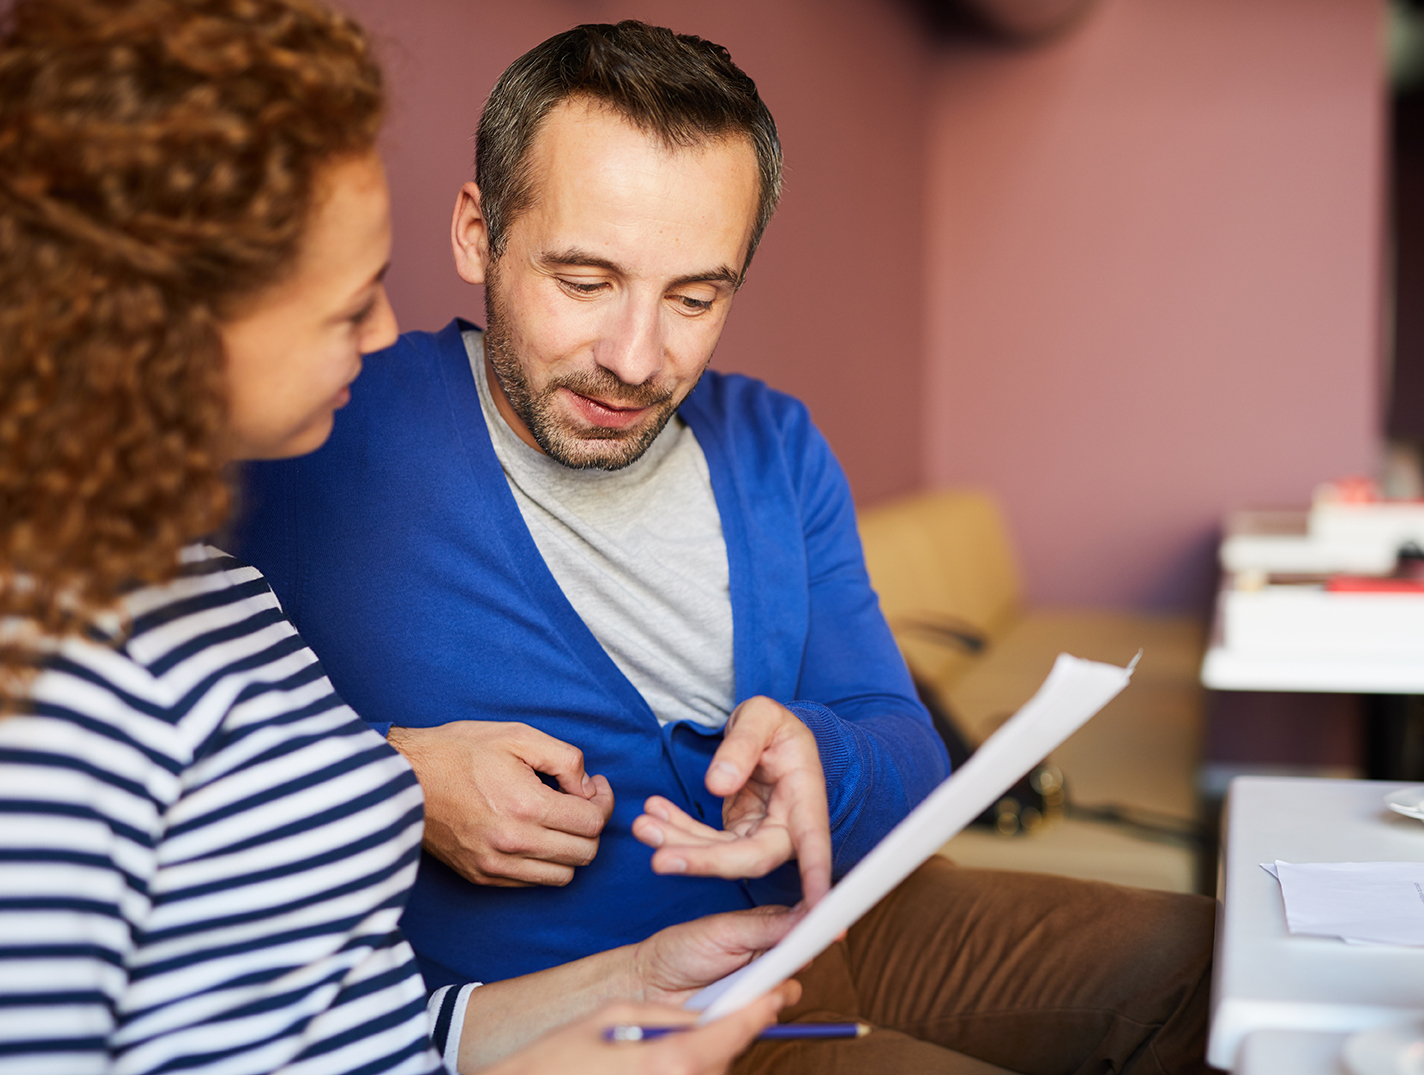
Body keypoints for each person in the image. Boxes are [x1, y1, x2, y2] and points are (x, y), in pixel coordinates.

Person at [234, 20, 1215, 1075]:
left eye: (695, 298)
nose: (635, 358)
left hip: (831, 924)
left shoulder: (773, 446)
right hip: (596, 1020)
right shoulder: (312, 423)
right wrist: (397, 774)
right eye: (584, 281)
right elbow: (99, 737)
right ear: (478, 232)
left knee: (1221, 962)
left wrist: (821, 762)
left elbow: (901, 742)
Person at [0, 2, 799, 1073]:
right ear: (166, 330)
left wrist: (626, 981)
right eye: (347, 305)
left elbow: (343, 1027)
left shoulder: (213, 593)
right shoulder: (46, 684)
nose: (386, 330)